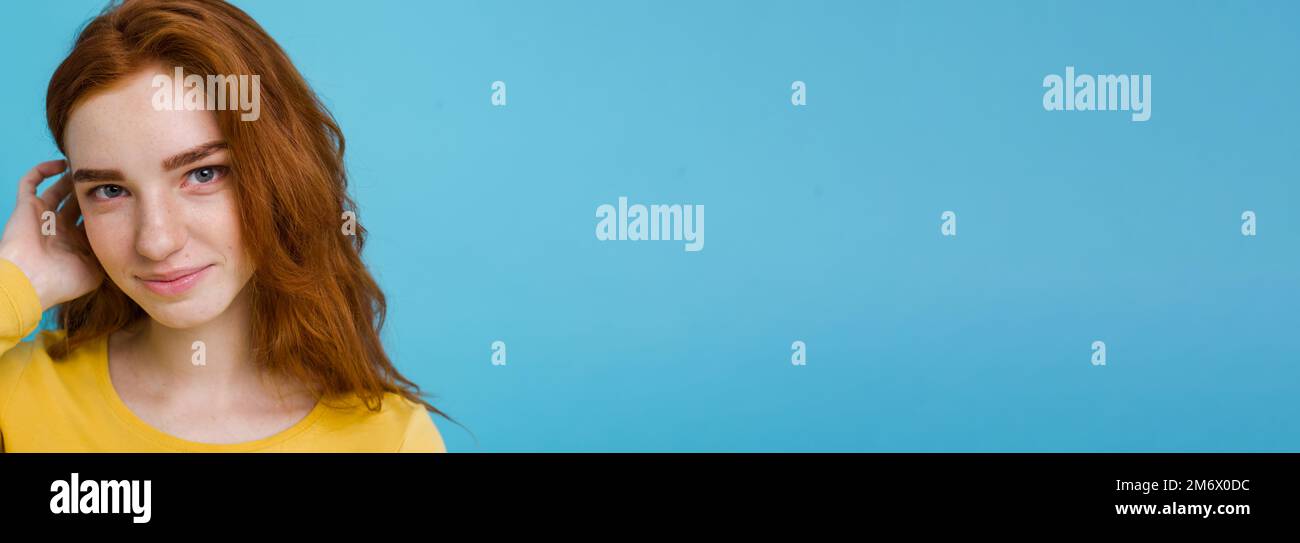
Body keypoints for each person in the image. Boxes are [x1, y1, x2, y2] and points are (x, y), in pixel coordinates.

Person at [0, 0, 450, 452]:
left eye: (203, 173)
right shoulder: (14, 396)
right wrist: (14, 284)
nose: (157, 241)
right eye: (110, 191)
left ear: (281, 173)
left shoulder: (391, 440)